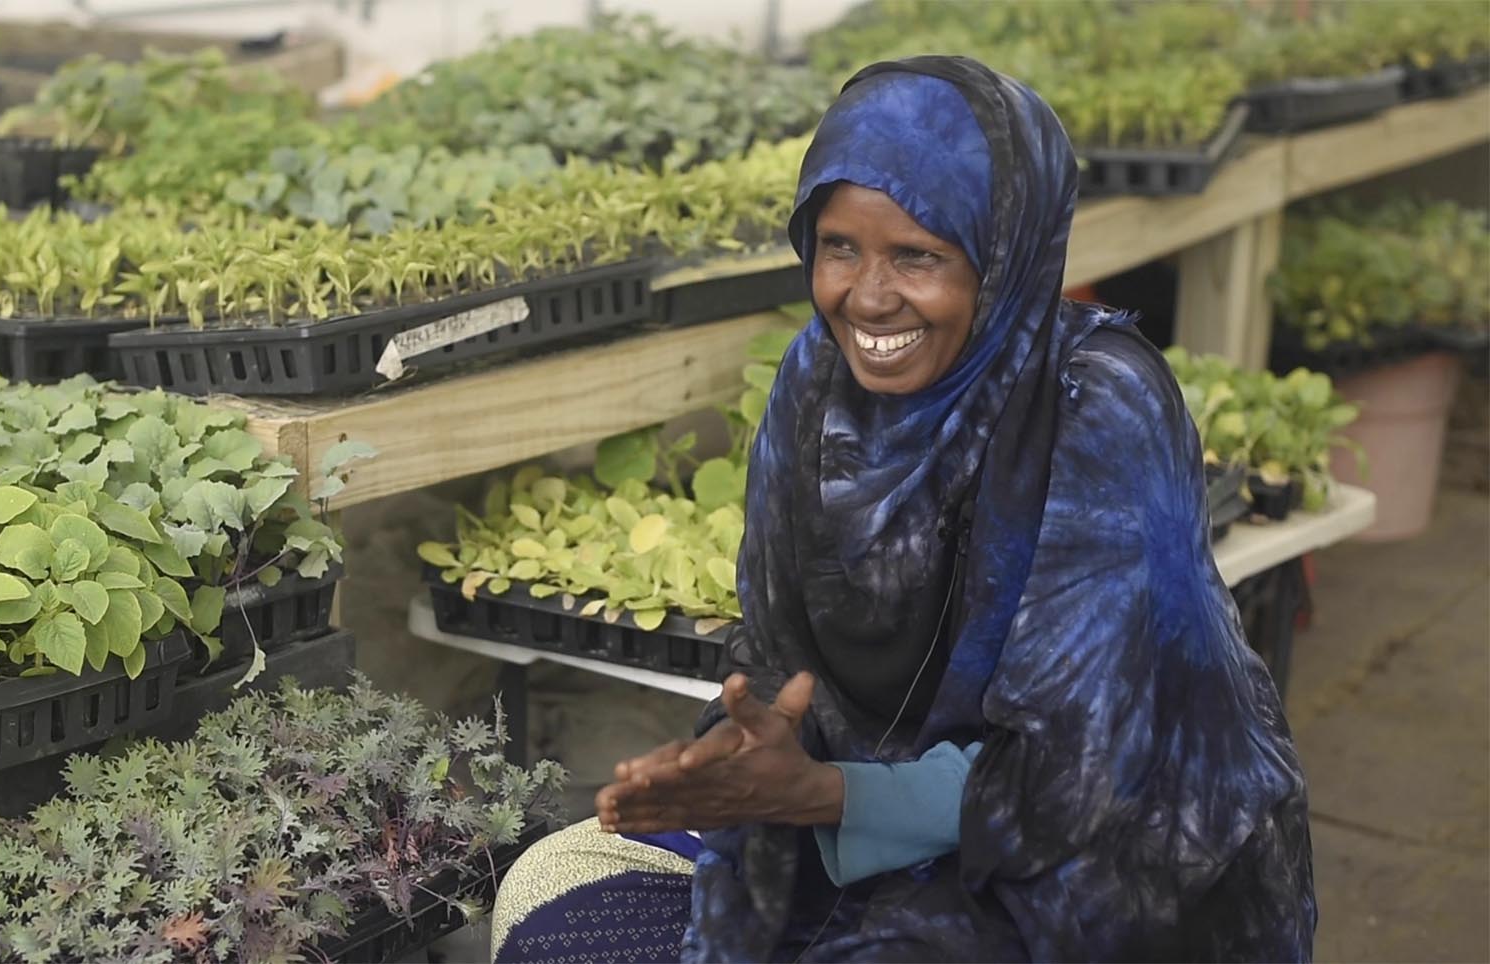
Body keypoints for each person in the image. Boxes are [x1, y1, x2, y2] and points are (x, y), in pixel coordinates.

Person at [491, 56, 1315, 963]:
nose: (869, 297)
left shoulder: (1096, 406)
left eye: (919, 256)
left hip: (1112, 870)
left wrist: (822, 796)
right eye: (840, 247)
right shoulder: (816, 383)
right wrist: (737, 756)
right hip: (855, 828)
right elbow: (775, 663)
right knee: (549, 892)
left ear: (1003, 259)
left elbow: (1087, 774)